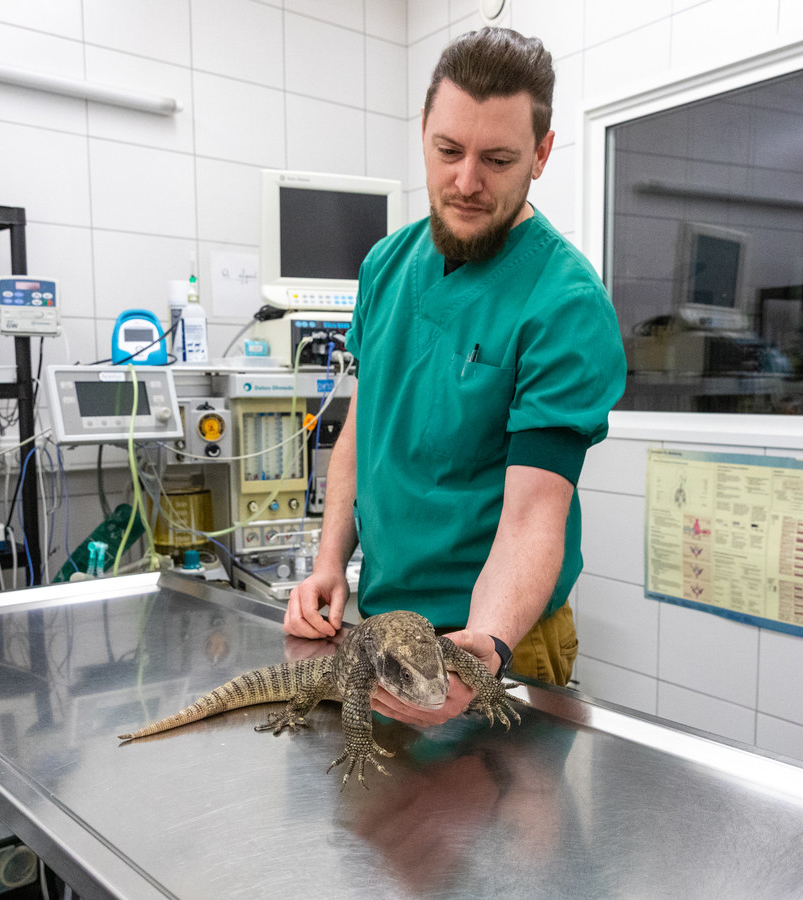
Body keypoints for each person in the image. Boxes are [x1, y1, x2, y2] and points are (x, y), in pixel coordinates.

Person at [285, 27, 626, 727]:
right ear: (424, 133)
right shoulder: (386, 264)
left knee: (490, 833)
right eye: (449, 151)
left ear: (541, 153)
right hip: (382, 625)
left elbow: (536, 513)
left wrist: (484, 647)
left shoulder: (564, 304)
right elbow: (362, 427)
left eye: (497, 159)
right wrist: (329, 562)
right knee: (377, 830)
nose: (466, 182)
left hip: (498, 642)